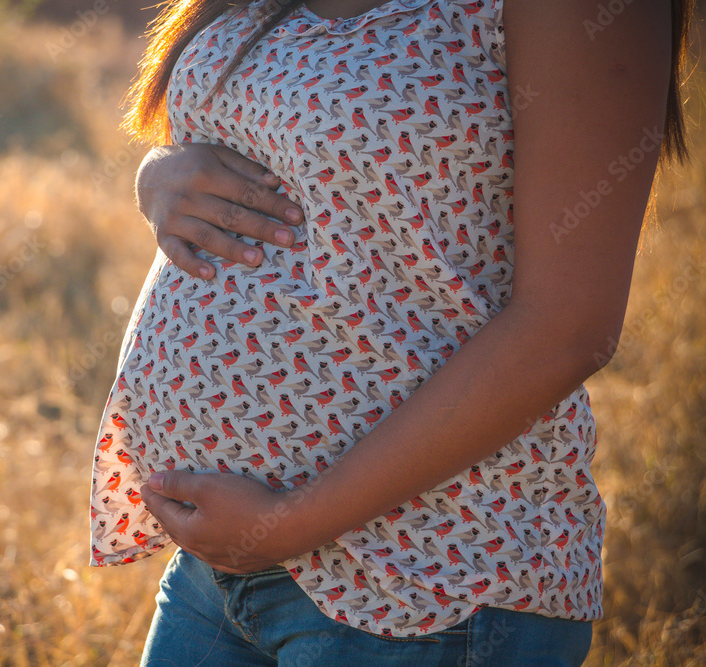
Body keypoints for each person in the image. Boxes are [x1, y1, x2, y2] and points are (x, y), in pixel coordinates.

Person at [87, 0, 693, 664]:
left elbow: (566, 327)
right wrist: (158, 179)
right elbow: (273, 150)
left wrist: (292, 521)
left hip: (429, 579)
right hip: (223, 569)